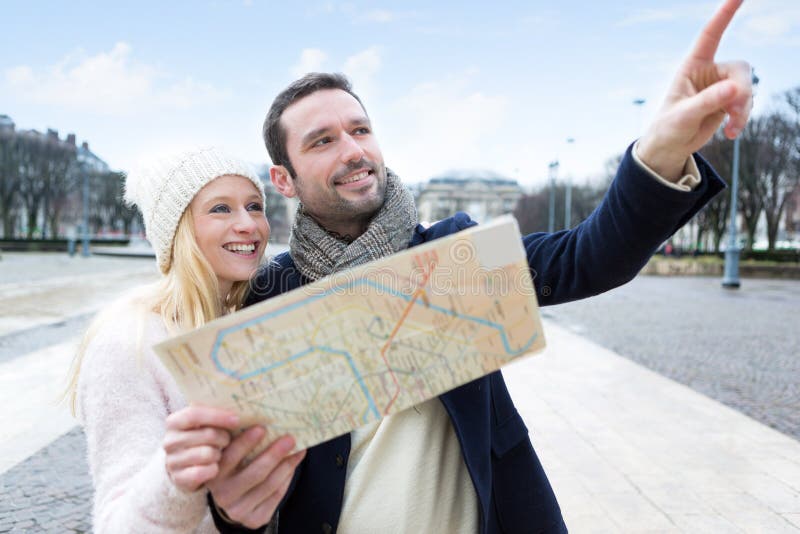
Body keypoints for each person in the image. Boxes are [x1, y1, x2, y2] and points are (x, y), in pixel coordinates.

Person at [206, 1, 754, 532]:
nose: (352, 150)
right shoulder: (268, 295)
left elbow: (589, 258)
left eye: (360, 129)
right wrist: (232, 512)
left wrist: (660, 148)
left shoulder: (450, 260)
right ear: (284, 180)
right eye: (323, 141)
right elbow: (245, 488)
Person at [64, 146, 304, 533]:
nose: (249, 225)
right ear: (178, 230)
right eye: (220, 209)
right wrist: (175, 477)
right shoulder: (129, 341)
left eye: (254, 206)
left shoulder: (246, 323)